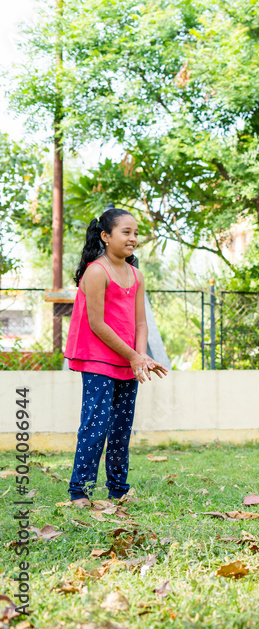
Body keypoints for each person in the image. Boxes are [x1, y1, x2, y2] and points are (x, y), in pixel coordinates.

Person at [64, 205, 168, 507]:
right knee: (95, 426)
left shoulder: (136, 275)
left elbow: (140, 323)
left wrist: (140, 356)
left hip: (126, 360)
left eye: (135, 233)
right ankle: (79, 491)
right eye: (126, 232)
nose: (133, 238)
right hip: (98, 360)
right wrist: (135, 356)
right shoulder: (97, 271)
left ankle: (118, 490)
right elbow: (97, 325)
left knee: (121, 428)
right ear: (106, 236)